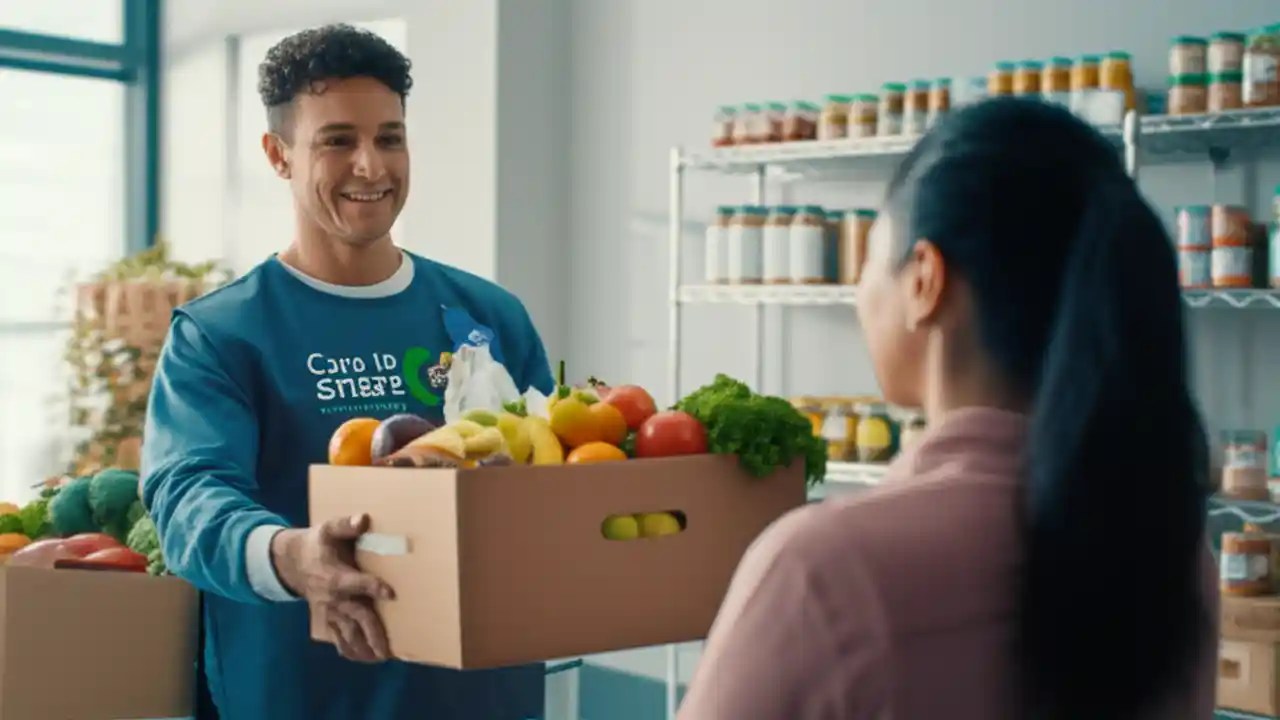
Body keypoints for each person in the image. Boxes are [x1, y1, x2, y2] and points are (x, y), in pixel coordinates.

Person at [677, 97, 1217, 720]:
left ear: (924, 281)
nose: (860, 295)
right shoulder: (1172, 556)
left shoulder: (822, 573)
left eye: (870, 262)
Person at [141, 24, 554, 720]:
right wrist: (292, 556)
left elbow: (559, 475)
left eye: (389, 137)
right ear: (278, 155)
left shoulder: (490, 313)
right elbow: (188, 497)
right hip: (306, 695)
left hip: (483, 692)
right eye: (337, 140)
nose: (371, 165)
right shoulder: (220, 335)